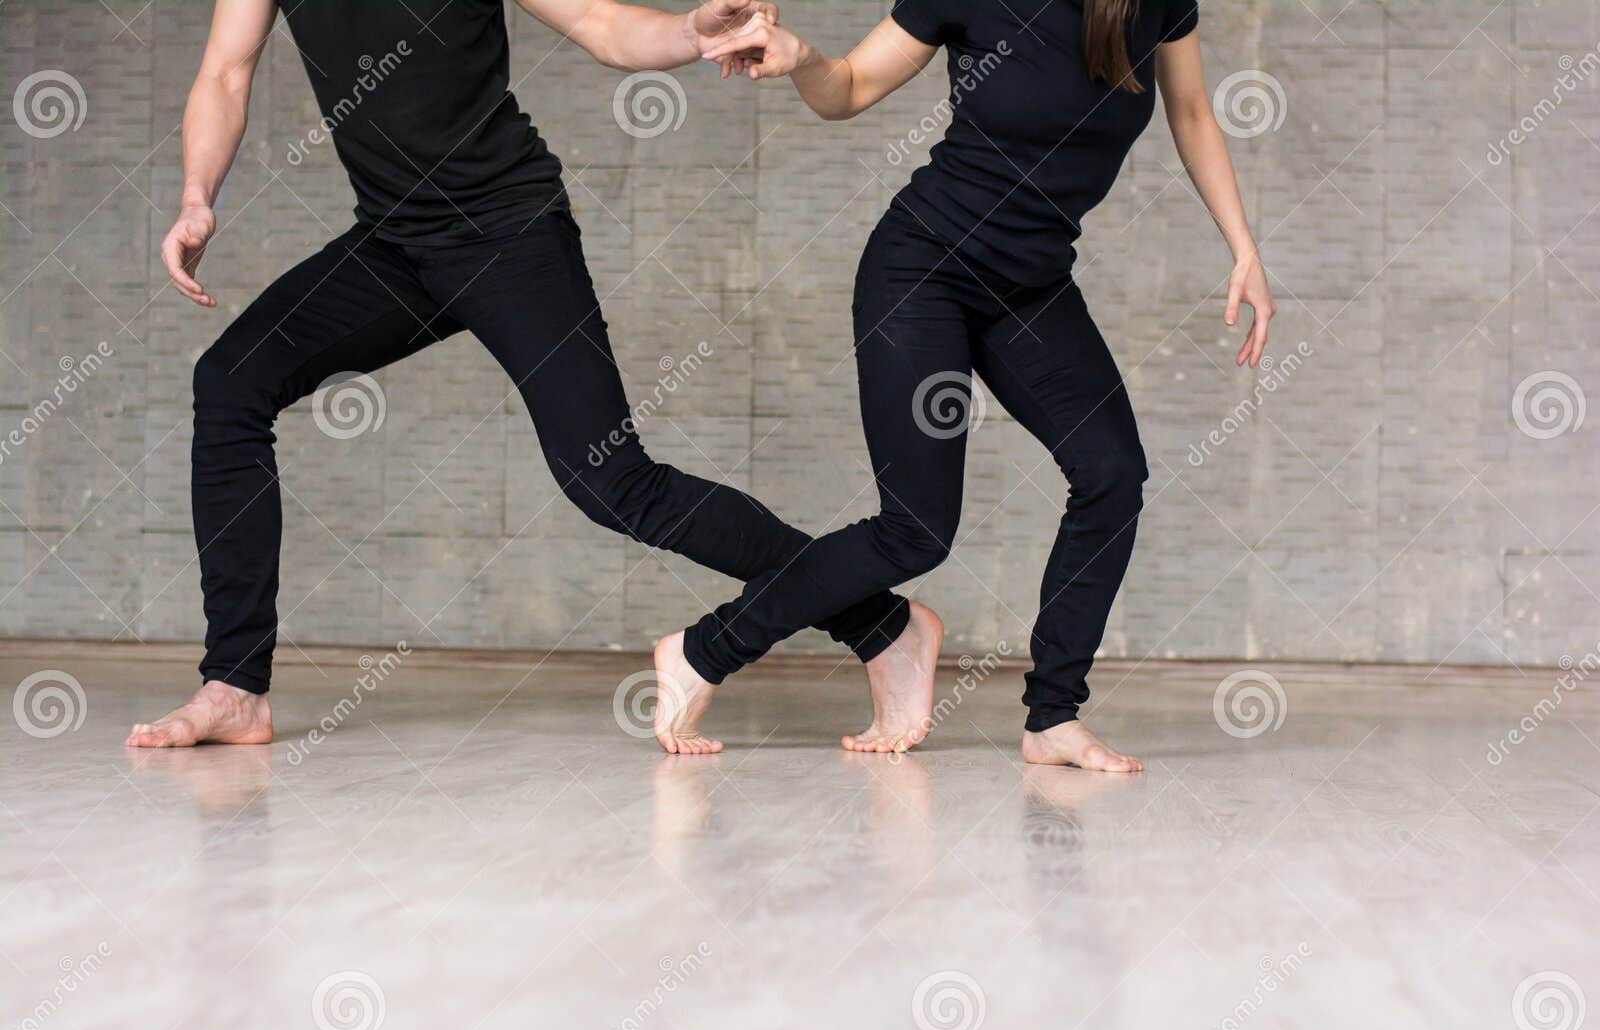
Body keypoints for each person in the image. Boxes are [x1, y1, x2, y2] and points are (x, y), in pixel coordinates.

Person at [127, 0, 938, 754]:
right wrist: (198, 195)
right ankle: (235, 685)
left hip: (509, 235)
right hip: (394, 244)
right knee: (230, 380)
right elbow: (224, 72)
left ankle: (879, 623)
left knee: (612, 480)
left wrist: (693, 33)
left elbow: (595, 19)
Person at [658, 0, 1276, 769]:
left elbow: (1190, 110)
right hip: (923, 273)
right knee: (916, 529)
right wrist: (803, 59)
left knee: (1113, 474)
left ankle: (1053, 716)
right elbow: (846, 88)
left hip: (1031, 287)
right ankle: (702, 649)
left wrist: (1243, 247)